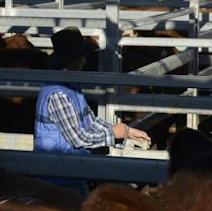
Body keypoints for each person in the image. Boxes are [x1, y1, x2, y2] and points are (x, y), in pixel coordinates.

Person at [34, 29, 150, 170]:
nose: (85, 60)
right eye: (82, 57)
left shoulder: (70, 86)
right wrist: (113, 134)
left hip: (68, 166)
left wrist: (127, 132)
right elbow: (78, 139)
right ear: (73, 60)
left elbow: (90, 121)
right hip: (59, 170)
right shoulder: (58, 93)